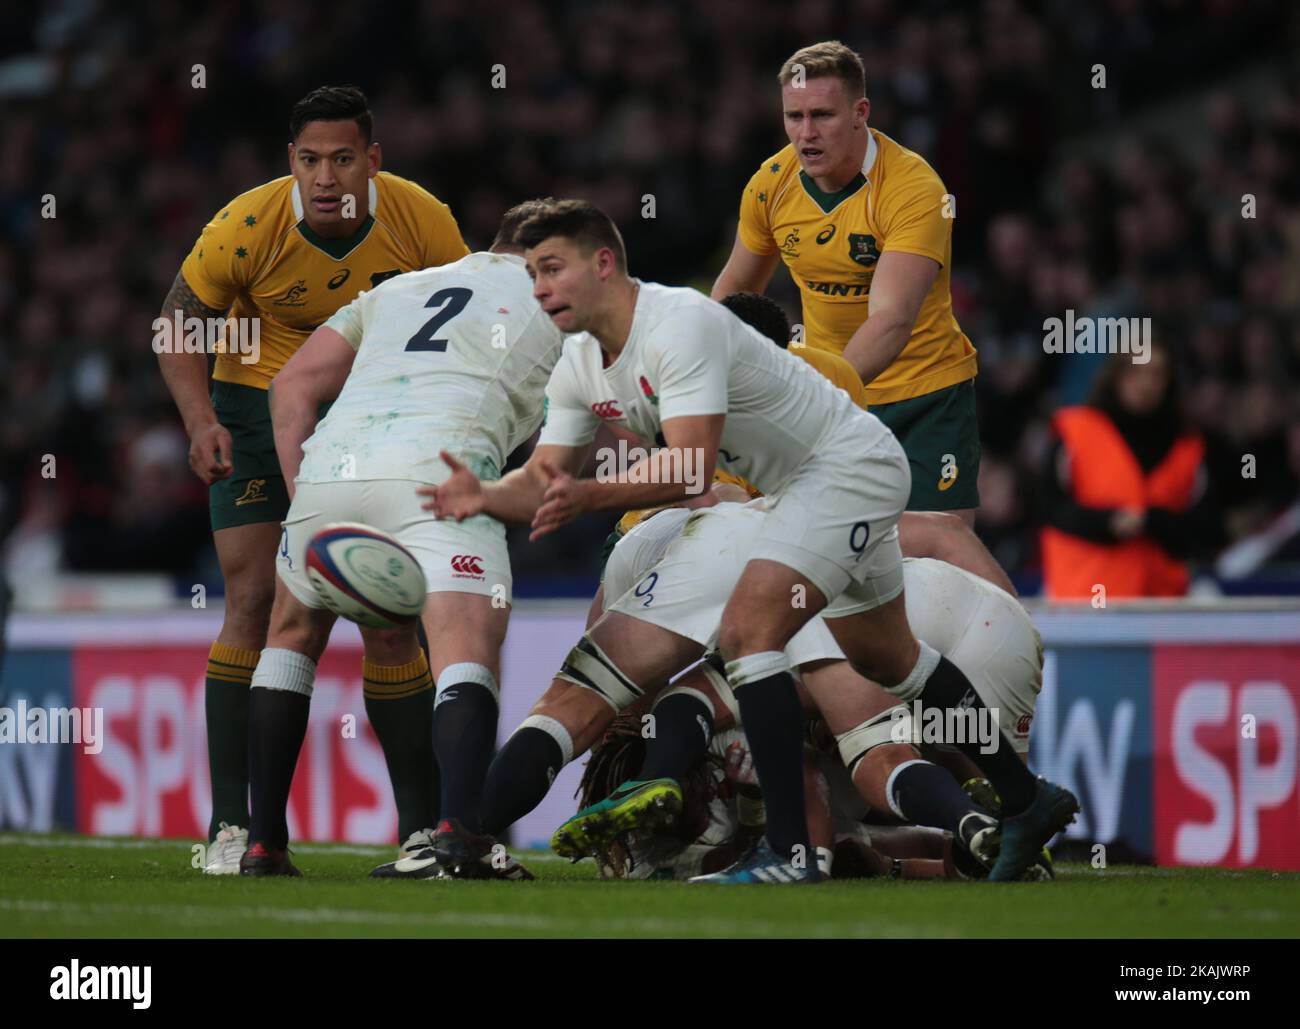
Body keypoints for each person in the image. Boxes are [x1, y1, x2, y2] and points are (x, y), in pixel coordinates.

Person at [428, 198, 1074, 883]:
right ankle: (1027, 799)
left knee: (747, 634)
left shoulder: (681, 323)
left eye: (552, 269)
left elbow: (691, 467)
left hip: (842, 468)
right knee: (892, 660)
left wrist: (591, 495)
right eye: (532, 274)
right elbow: (544, 474)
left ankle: (791, 852)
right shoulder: (578, 366)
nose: (539, 289)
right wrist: (486, 497)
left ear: (605, 263)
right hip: (802, 491)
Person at [154, 86, 469, 873]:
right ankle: (234, 829)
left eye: (341, 159)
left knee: (388, 611)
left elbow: (475, 321)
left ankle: (422, 830)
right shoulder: (245, 225)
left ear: (373, 159)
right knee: (254, 598)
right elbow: (177, 319)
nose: (325, 177)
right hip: (256, 408)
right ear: (288, 162)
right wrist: (201, 422)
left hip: (371, 416)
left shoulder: (421, 217)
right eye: (308, 160)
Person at [236, 204, 562, 876]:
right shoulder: (558, 297)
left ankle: (263, 843)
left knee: (290, 637)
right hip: (439, 476)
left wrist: (306, 496)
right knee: (463, 648)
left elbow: (292, 382)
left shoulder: (398, 287)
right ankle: (456, 838)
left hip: (331, 473)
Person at [712, 40, 980, 523]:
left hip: (925, 398)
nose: (806, 134)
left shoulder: (915, 190)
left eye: (822, 115)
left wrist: (816, 396)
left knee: (942, 560)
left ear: (861, 112)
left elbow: (893, 319)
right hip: (830, 396)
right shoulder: (771, 184)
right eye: (794, 117)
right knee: (826, 562)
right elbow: (731, 297)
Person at [1040, 343, 1218, 600]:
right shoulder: (1076, 433)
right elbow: (1049, 508)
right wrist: (1108, 522)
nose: (1146, 384)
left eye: (1156, 375)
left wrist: (1154, 522)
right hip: (1083, 601)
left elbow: (1206, 527)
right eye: (1136, 372)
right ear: (1116, 377)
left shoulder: (1188, 446)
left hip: (1163, 607)